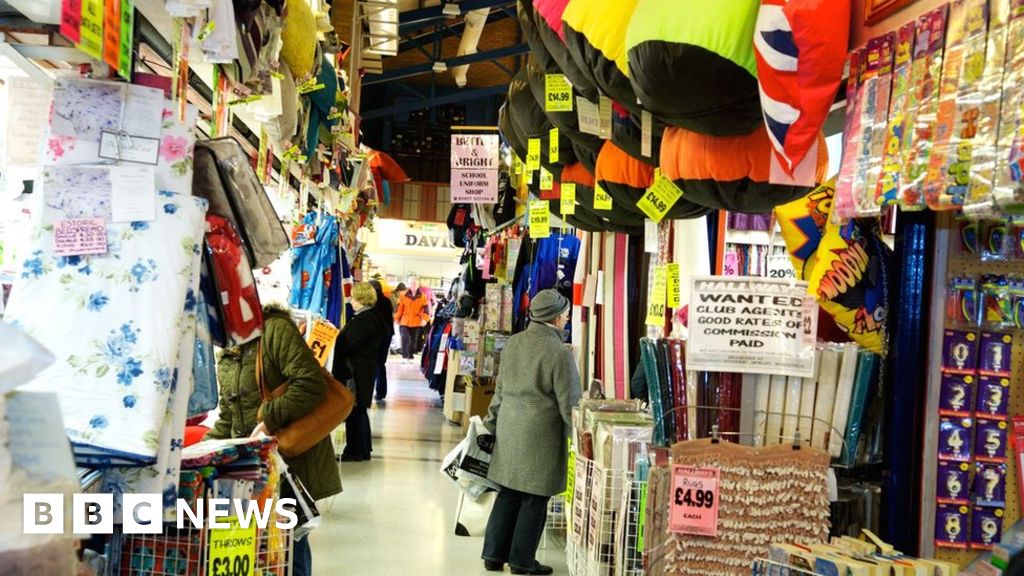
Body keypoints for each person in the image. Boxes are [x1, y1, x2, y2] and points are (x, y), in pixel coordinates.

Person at [206, 304, 341, 576]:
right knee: (269, 547)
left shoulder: (274, 329)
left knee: (291, 543)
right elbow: (230, 416)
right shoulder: (228, 353)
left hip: (292, 460)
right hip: (256, 466)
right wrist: (202, 451)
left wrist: (267, 420)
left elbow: (310, 383)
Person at [481, 289, 581, 575]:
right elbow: (570, 402)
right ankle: (523, 560)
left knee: (508, 491)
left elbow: (499, 389)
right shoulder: (559, 352)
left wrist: (490, 422)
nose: (567, 320)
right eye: (566, 315)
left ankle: (493, 554)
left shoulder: (514, 343)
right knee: (535, 497)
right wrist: (580, 437)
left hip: (509, 425)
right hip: (540, 433)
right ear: (557, 318)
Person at [332, 282, 383, 461]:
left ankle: (355, 450)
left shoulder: (364, 319)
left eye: (353, 297)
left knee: (355, 410)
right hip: (360, 371)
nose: (351, 301)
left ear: (361, 299)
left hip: (357, 372)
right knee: (359, 410)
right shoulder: (367, 317)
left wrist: (335, 338)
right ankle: (363, 448)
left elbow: (350, 343)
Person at [368, 280, 394, 402]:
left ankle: (369, 390)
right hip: (386, 335)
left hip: (376, 336)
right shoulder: (387, 301)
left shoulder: (372, 302)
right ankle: (381, 392)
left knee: (372, 363)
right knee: (380, 364)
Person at [394, 276, 430, 361]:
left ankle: (410, 356)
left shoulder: (422, 297)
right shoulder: (403, 295)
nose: (413, 285)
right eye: (411, 283)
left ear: (418, 285)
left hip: (416, 322)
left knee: (413, 341)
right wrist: (396, 319)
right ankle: (404, 356)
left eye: (415, 283)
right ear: (408, 285)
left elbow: (426, 309)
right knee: (405, 338)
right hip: (404, 321)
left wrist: (425, 319)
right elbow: (399, 308)